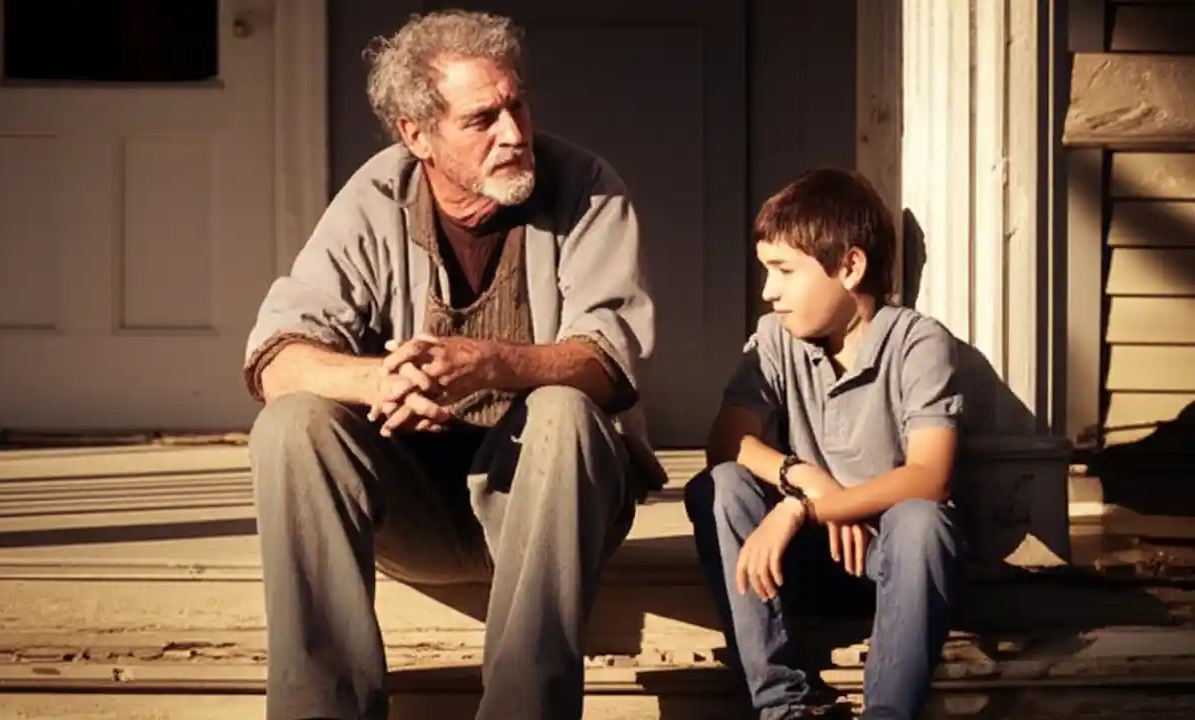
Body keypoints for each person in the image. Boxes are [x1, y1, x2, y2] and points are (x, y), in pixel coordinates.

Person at [240, 9, 662, 720]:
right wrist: (377, 378)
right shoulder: (376, 196)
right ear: (416, 134)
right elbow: (275, 357)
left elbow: (609, 363)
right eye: (481, 119)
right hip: (418, 511)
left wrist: (491, 363)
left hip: (554, 504)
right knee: (293, 425)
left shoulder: (587, 185)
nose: (513, 133)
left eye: (517, 104)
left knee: (563, 410)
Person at [684, 168, 967, 719]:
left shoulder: (918, 342)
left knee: (922, 520)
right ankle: (782, 705)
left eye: (784, 271)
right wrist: (806, 481)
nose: (769, 291)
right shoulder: (774, 338)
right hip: (796, 569)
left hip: (890, 566)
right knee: (721, 487)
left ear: (849, 266)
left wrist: (807, 509)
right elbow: (726, 441)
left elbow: (930, 475)